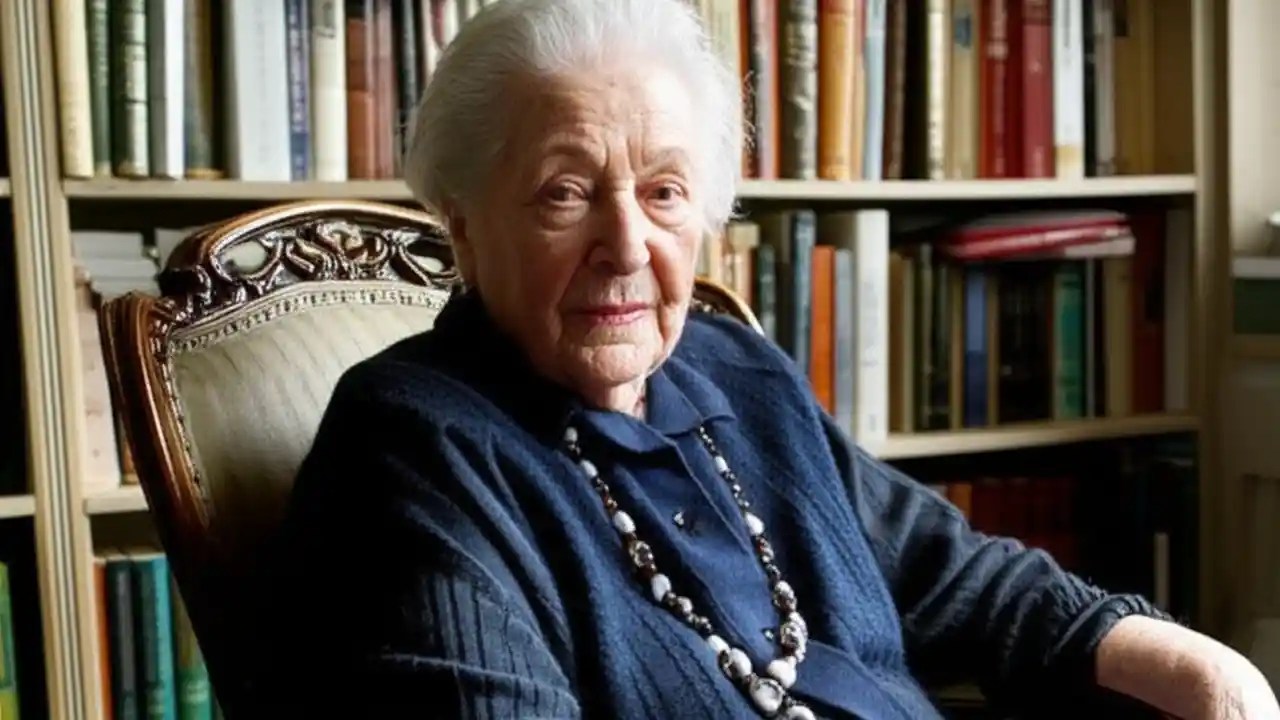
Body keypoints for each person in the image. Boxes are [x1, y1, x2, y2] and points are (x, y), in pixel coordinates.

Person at [255, 0, 1279, 717]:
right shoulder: (413, 444)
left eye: (662, 191)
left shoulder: (733, 372)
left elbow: (958, 577)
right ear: (463, 226)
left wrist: (1208, 676)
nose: (626, 246)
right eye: (564, 193)